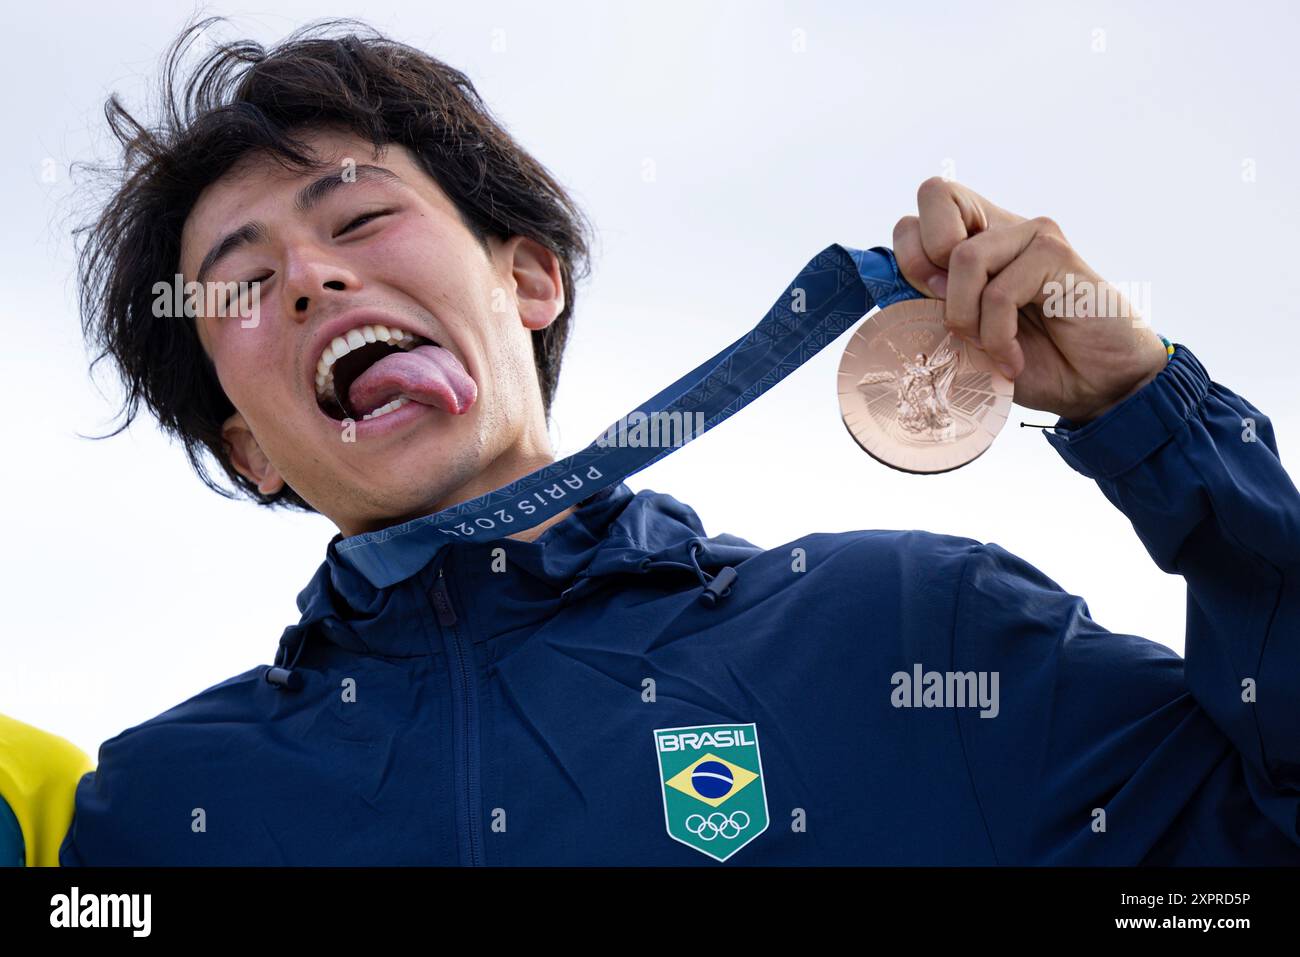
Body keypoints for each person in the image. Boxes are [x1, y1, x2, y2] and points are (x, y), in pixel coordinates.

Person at [5, 18, 1298, 866]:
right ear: (250, 451)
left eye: (357, 221)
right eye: (241, 281)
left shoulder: (904, 638)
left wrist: (1160, 423)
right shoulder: (161, 813)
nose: (305, 281)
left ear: (530, 278)